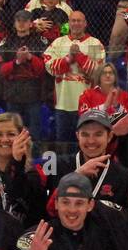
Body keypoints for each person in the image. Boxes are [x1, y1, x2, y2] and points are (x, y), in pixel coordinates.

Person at [44, 10, 104, 151]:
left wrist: (79, 56)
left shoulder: (94, 43)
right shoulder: (58, 42)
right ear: (69, 23)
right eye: (73, 20)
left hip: (86, 105)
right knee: (62, 144)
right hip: (62, 103)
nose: (76, 24)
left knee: (84, 144)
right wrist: (68, 59)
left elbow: (97, 73)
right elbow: (50, 67)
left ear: (85, 23)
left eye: (79, 21)